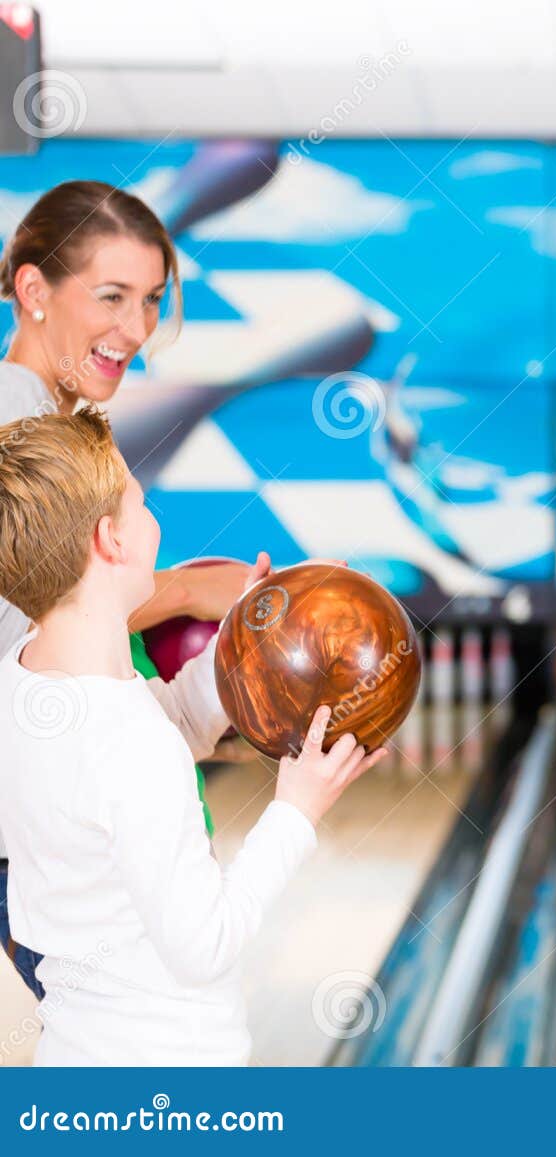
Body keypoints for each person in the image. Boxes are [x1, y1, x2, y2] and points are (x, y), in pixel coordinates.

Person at [0, 408, 387, 1064]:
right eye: (142, 503)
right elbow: (205, 943)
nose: (156, 522)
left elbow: (165, 720)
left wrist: (252, 640)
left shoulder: (23, 684)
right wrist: (295, 811)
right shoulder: (128, 744)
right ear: (110, 540)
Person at [0, 180, 253, 998]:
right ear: (33, 290)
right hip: (49, 838)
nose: (137, 328)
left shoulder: (59, 418)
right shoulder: (18, 425)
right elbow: (32, 634)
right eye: (111, 296)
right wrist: (181, 593)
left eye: (149, 300)